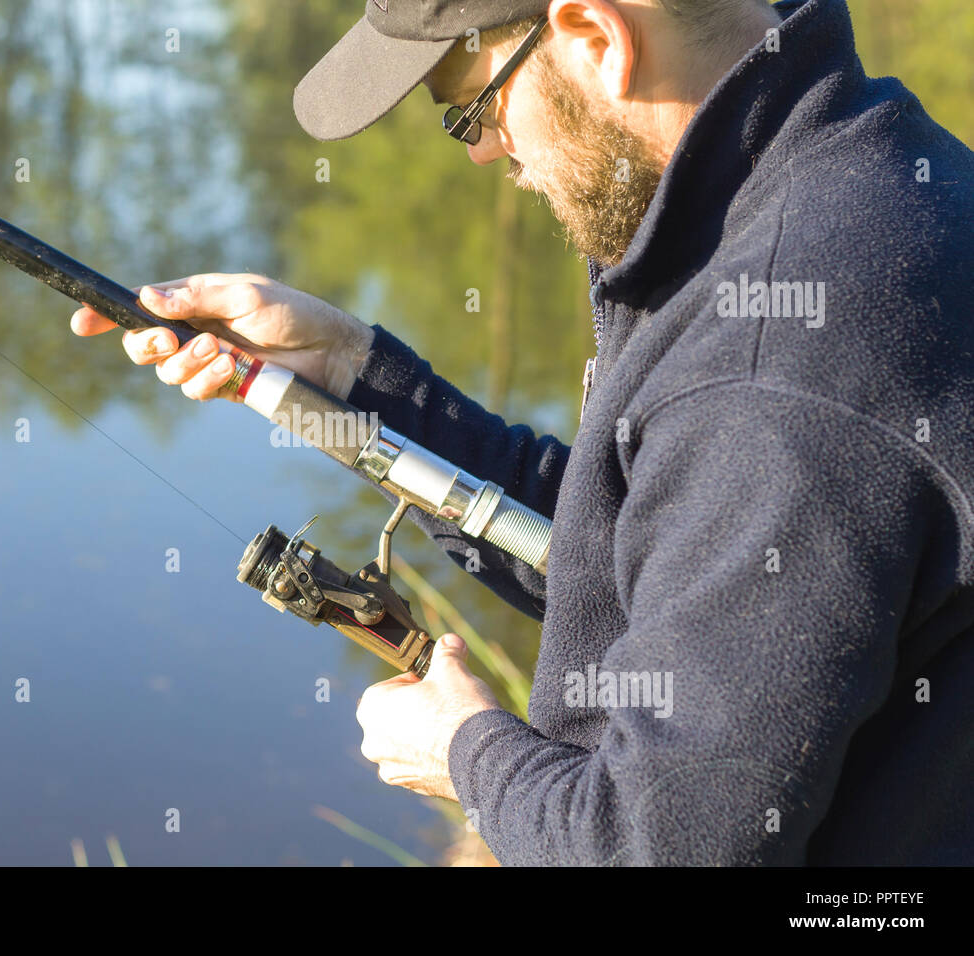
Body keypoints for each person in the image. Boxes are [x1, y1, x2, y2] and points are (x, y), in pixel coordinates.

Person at [71, 0, 974, 865]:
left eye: (470, 111)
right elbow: (654, 545)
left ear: (594, 35)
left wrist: (466, 753)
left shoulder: (769, 369)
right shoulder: (860, 164)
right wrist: (351, 371)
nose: (485, 152)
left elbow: (652, 850)